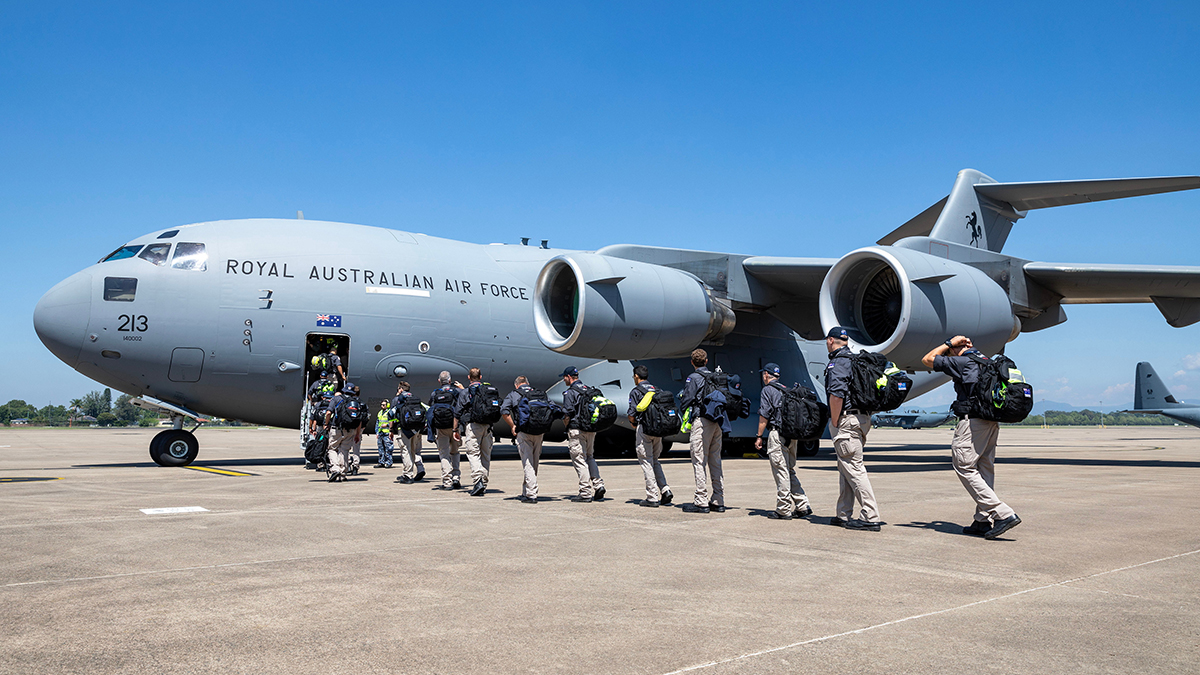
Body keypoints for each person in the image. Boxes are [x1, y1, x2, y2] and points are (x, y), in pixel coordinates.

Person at [922, 336, 1022, 540]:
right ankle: (982, 521)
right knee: (985, 468)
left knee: (965, 466)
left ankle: (1003, 513)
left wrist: (949, 344)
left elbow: (928, 359)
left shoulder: (963, 361)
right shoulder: (989, 362)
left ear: (956, 350)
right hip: (991, 422)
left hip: (973, 423)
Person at [824, 327, 881, 531]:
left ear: (831, 340)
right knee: (846, 467)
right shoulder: (855, 360)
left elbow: (837, 394)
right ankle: (843, 513)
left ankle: (870, 516)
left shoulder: (838, 361)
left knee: (854, 468)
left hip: (847, 420)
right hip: (861, 419)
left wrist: (835, 420)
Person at [755, 363, 812, 520]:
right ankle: (802, 505)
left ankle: (783, 509)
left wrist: (759, 435)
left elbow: (764, 414)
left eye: (764, 374)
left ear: (767, 375)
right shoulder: (786, 389)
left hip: (777, 434)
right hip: (791, 436)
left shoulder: (767, 390)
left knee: (781, 471)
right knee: (789, 470)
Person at [679, 349, 724, 513]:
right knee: (715, 460)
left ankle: (701, 500)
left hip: (701, 421)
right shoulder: (715, 377)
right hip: (717, 422)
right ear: (706, 361)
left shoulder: (694, 378)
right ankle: (718, 499)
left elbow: (687, 399)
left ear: (692, 363)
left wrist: (683, 409)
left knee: (699, 460)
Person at [628, 365, 672, 507]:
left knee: (646, 461)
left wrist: (633, 423)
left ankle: (652, 496)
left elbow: (631, 413)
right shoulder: (656, 389)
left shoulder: (636, 391)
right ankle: (665, 490)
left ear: (636, 376)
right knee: (655, 461)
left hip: (645, 429)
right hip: (658, 430)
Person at [561, 366, 606, 503]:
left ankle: (585, 492)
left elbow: (567, 413)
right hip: (591, 429)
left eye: (564, 377)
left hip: (577, 430)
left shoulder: (570, 393)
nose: (564, 380)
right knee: (590, 457)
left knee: (579, 460)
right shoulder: (588, 389)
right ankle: (598, 485)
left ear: (569, 377)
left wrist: (566, 425)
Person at [501, 376, 542, 504]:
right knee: (534, 462)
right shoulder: (538, 392)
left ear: (516, 385)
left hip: (524, 432)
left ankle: (531, 494)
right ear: (528, 383)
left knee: (528, 463)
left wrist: (512, 426)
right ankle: (526, 491)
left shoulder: (514, 394)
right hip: (539, 431)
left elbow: (504, 411)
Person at [455, 368, 495, 497]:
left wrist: (455, 429)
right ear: (480, 377)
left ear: (469, 377)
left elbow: (458, 412)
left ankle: (478, 480)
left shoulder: (466, 392)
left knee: (473, 453)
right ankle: (483, 482)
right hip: (488, 426)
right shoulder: (488, 391)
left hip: (473, 425)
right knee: (485, 454)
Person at [428, 371, 464, 489]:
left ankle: (447, 481)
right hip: (454, 427)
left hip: (440, 427)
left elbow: (430, 407)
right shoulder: (456, 391)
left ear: (439, 381)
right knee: (455, 452)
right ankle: (456, 478)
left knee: (444, 454)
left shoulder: (435, 393)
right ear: (450, 380)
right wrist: (462, 388)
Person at [324, 383, 363, 482]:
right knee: (344, 450)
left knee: (332, 448)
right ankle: (342, 473)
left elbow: (328, 412)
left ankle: (335, 469)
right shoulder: (356, 402)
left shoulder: (336, 399)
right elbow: (359, 420)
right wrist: (357, 434)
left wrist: (326, 423)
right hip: (350, 430)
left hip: (337, 428)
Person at [393, 382, 426, 484]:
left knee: (405, 451)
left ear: (401, 389)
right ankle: (413, 471)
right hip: (416, 429)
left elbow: (391, 414)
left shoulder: (398, 399)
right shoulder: (415, 399)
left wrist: (391, 429)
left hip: (404, 429)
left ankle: (407, 475)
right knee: (413, 451)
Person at [374, 398, 395, 469]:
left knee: (388, 448)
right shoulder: (380, 412)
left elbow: (394, 421)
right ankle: (381, 462)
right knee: (380, 448)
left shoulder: (390, 412)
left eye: (383, 405)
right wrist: (377, 432)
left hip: (386, 433)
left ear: (387, 405)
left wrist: (388, 426)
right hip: (381, 433)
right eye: (381, 404)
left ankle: (389, 462)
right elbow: (377, 422)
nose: (382, 406)